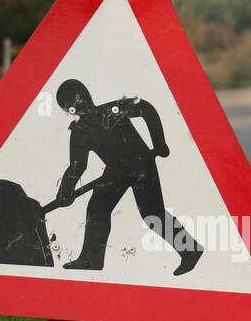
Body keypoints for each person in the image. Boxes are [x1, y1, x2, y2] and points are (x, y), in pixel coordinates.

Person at [49, 79, 203, 275]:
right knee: (97, 209)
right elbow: (77, 166)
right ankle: (91, 259)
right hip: (116, 172)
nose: (79, 106)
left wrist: (159, 142)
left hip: (141, 165)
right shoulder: (82, 130)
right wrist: (65, 191)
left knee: (152, 214)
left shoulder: (112, 110)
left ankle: (191, 251)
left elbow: (145, 108)